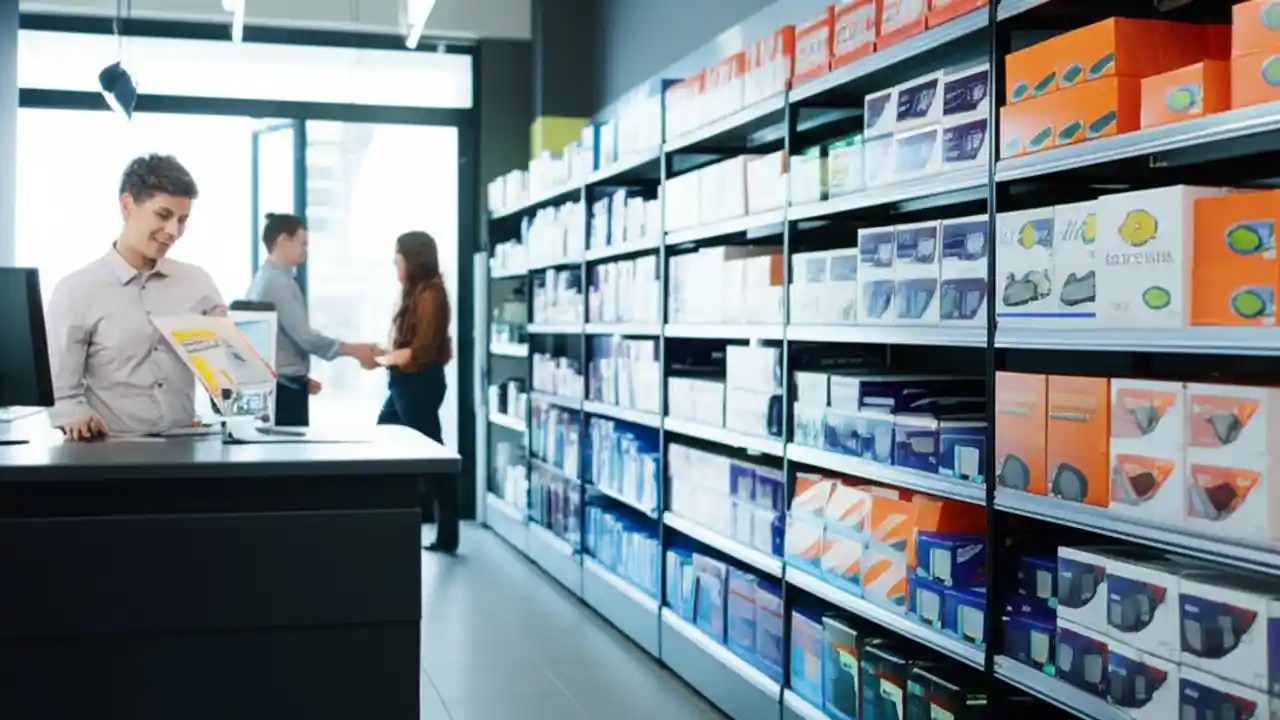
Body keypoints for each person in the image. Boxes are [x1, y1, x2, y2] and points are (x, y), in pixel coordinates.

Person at [46, 153, 226, 440]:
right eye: (163, 215)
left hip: (185, 450)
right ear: (127, 206)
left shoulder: (198, 285)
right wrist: (76, 416)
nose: (173, 232)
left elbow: (228, 375)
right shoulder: (76, 291)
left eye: (182, 220)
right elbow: (62, 394)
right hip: (109, 454)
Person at [245, 213, 380, 427]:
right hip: (282, 388)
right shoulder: (276, 283)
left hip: (283, 383)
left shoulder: (268, 278)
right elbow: (305, 338)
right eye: (302, 243)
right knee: (289, 456)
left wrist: (300, 377)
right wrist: (354, 350)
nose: (305, 250)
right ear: (283, 240)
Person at [376, 231, 457, 553]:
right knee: (386, 438)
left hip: (418, 383)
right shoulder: (416, 293)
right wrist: (386, 358)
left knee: (432, 455)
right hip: (404, 382)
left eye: (398, 259)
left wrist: (381, 358)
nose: (395, 266)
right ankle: (396, 518)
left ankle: (446, 532)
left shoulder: (431, 294)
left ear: (412, 260)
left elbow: (421, 349)